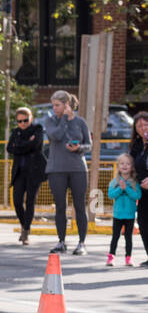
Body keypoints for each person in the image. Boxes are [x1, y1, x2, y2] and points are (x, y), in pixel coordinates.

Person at [36, 89, 92, 255]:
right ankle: (61, 241)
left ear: (67, 105)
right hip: (56, 169)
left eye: (57, 105)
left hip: (78, 169)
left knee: (79, 206)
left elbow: (89, 145)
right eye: (53, 105)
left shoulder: (81, 122)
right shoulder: (51, 120)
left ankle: (82, 243)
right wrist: (65, 119)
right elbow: (56, 136)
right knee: (60, 206)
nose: (54, 108)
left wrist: (79, 148)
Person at [6, 106, 46, 245]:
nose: (22, 123)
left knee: (30, 201)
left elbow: (36, 144)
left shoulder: (37, 129)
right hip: (19, 172)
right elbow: (10, 148)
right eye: (19, 121)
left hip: (34, 171)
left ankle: (26, 231)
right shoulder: (16, 132)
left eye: (25, 120)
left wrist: (21, 146)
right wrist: (27, 143)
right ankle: (24, 226)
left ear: (31, 119)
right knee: (17, 201)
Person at [107, 154, 141, 267]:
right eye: (122, 163)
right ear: (118, 166)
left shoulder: (134, 182)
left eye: (128, 163)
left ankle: (128, 258)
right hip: (118, 215)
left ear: (132, 166)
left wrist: (126, 189)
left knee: (128, 237)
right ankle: (111, 257)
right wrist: (119, 189)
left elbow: (137, 196)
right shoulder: (114, 181)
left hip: (130, 215)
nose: (125, 166)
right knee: (115, 237)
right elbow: (110, 195)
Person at [131, 112, 148, 265]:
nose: (143, 128)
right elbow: (129, 165)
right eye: (139, 126)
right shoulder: (136, 145)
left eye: (145, 124)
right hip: (142, 192)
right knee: (143, 223)